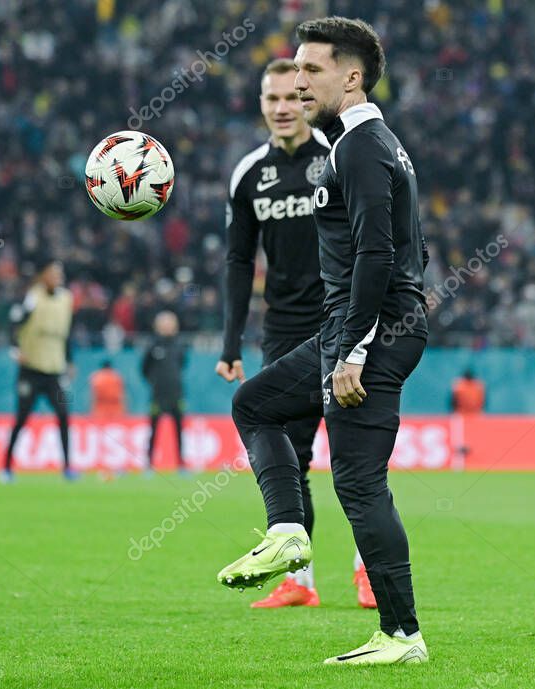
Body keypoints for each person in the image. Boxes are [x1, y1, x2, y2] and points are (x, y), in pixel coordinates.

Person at [216, 17, 430, 665]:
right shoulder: (373, 143)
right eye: (295, 69)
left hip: (368, 331)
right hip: (356, 327)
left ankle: (401, 634)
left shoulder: (359, 147)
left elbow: (376, 252)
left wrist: (355, 349)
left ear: (352, 76)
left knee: (359, 484)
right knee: (255, 404)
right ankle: (288, 530)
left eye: (312, 69)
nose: (300, 81)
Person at [215, 57, 374, 610]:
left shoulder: (338, 155)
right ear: (261, 104)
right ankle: (299, 580)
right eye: (272, 98)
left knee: (356, 455)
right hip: (283, 331)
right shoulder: (248, 174)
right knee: (293, 456)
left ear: (306, 100)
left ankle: (368, 571)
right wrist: (231, 342)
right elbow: (239, 261)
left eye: (292, 97)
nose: (282, 108)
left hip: (341, 325)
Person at [0, 259, 75, 482]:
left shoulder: (66, 299)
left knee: (64, 414)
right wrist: (15, 348)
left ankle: (67, 467)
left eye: (59, 274)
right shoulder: (33, 298)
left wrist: (69, 361)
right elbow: (14, 322)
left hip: (55, 371)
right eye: (53, 273)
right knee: (22, 418)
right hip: (31, 369)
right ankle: (6, 467)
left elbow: (66, 334)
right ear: (44, 276)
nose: (57, 278)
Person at [141, 311, 188, 475]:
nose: (168, 327)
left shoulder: (179, 345)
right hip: (157, 395)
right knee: (153, 429)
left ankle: (181, 464)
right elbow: (144, 369)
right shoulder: (152, 345)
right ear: (157, 326)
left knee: (179, 429)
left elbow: (182, 364)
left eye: (170, 323)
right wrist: (155, 383)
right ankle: (148, 464)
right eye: (164, 323)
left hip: (176, 394)